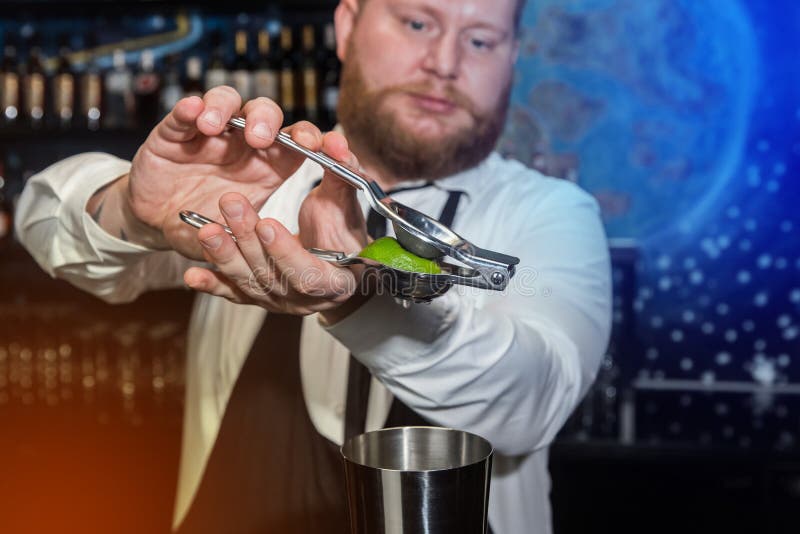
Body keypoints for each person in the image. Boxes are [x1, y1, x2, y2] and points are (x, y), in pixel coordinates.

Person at [15, 0, 611, 532]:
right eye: (417, 22)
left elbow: (535, 397)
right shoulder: (255, 186)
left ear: (511, 58)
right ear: (347, 25)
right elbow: (43, 220)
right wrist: (136, 213)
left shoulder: (552, 213)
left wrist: (357, 297)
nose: (444, 62)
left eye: (480, 39)